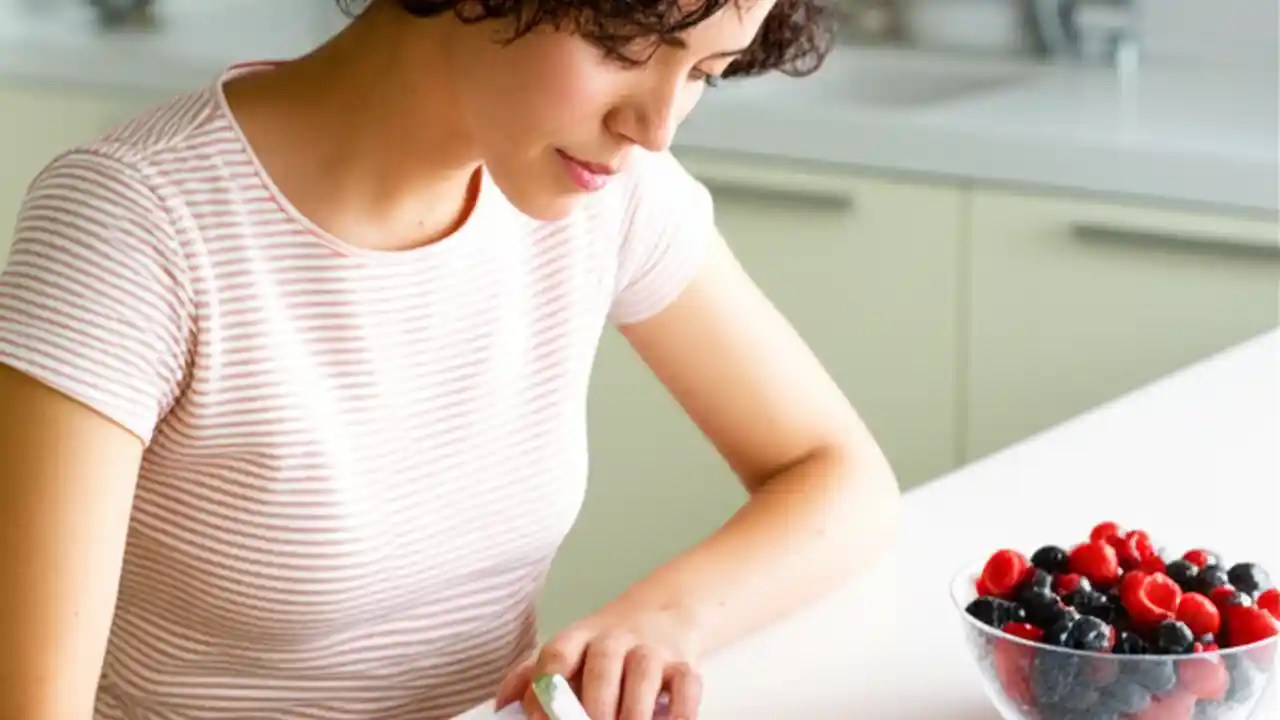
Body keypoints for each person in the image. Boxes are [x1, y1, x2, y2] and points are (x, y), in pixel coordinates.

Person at [0, 0, 901, 718]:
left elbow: (839, 476)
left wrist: (659, 619)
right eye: (628, 45)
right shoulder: (137, 225)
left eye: (704, 71)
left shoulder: (610, 197)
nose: (657, 126)